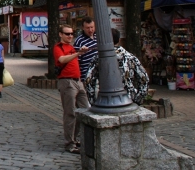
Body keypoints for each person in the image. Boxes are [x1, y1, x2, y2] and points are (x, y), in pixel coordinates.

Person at [84, 28, 149, 105]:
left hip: (105, 101)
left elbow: (88, 80)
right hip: (129, 98)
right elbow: (144, 79)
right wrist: (138, 99)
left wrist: (93, 101)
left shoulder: (98, 58)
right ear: (119, 40)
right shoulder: (130, 57)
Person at [53, 24, 90, 154]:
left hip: (78, 81)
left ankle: (75, 138)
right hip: (67, 82)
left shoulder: (72, 47)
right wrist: (78, 53)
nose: (70, 36)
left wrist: (81, 51)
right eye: (67, 34)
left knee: (84, 109)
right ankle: (70, 143)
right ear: (61, 34)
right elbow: (61, 59)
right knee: (70, 113)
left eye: (71, 34)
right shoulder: (59, 47)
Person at [74, 16, 98, 81]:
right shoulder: (79, 41)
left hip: (99, 74)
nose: (90, 30)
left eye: (92, 27)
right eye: (87, 28)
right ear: (83, 28)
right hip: (86, 76)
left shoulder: (98, 37)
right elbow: (76, 60)